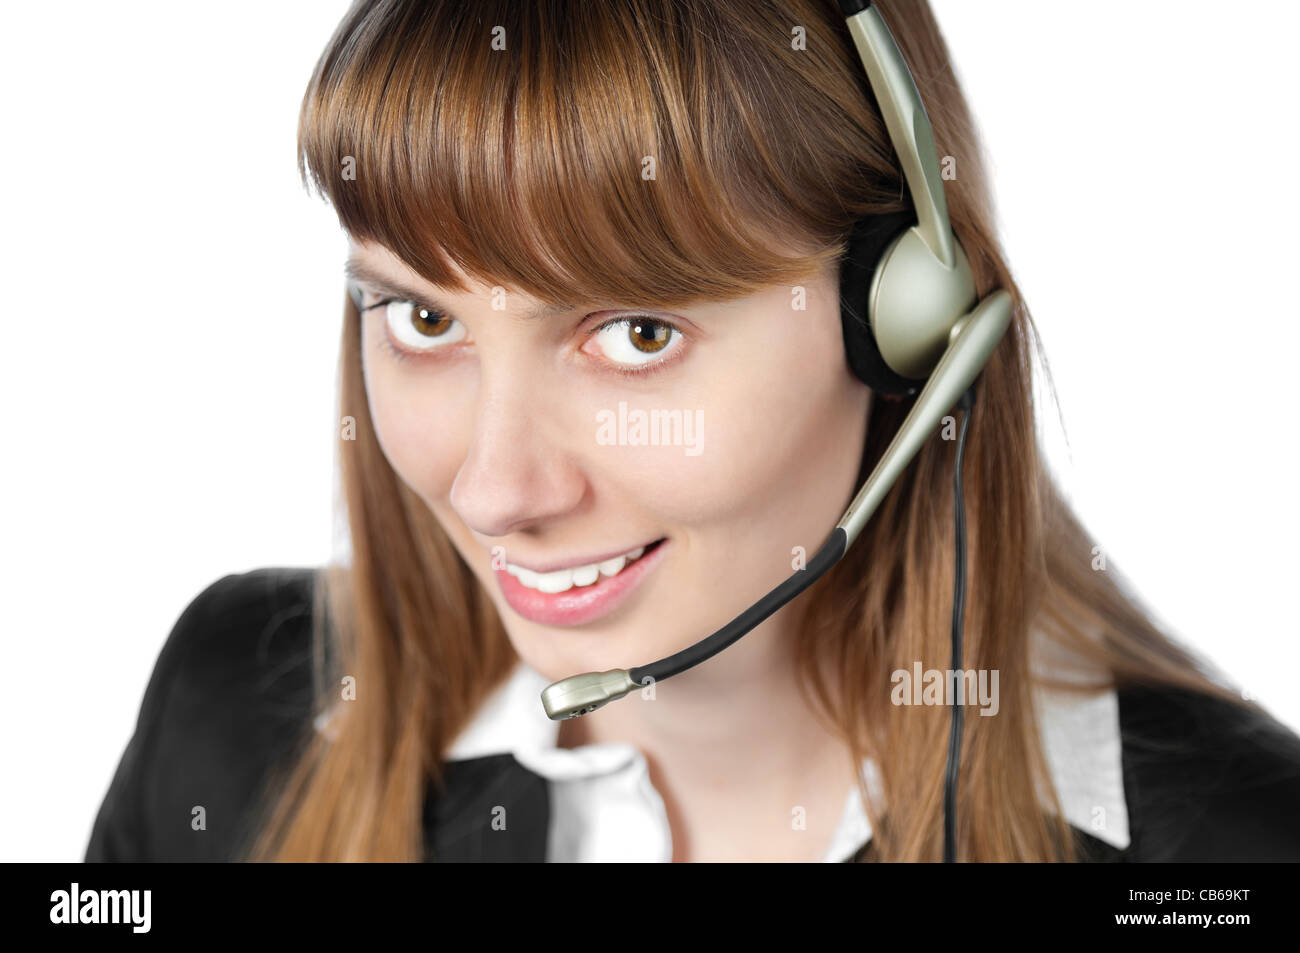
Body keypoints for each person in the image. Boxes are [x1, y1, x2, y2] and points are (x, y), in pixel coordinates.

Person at [85, 0, 1300, 863]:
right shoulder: (234, 714)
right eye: (419, 314)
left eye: (638, 334)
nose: (499, 487)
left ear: (905, 322)